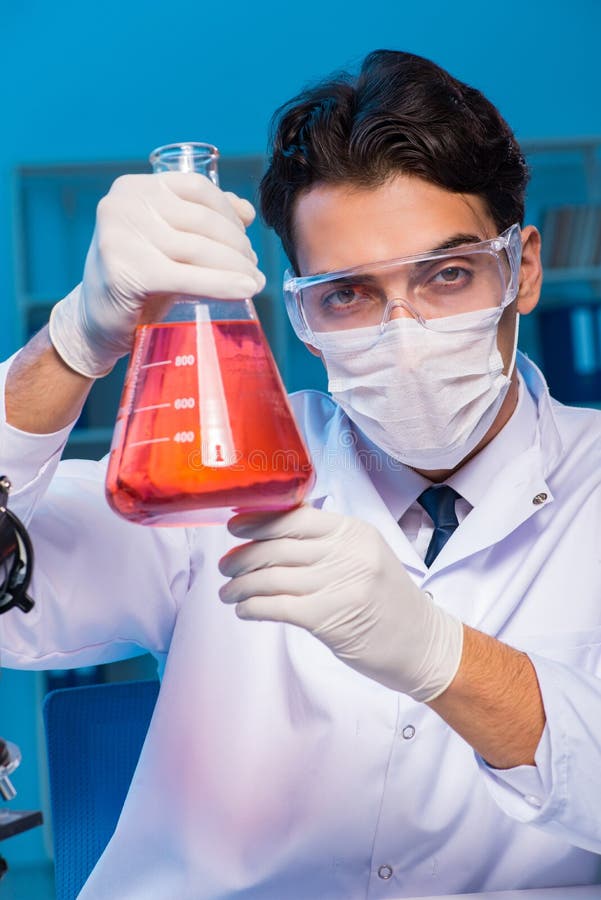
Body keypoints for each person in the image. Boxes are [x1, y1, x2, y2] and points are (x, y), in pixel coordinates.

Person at [1, 48, 601, 899]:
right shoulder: (215, 474)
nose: (404, 331)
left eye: (448, 275)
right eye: (347, 294)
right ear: (299, 312)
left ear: (522, 269)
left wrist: (442, 657)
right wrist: (74, 343)